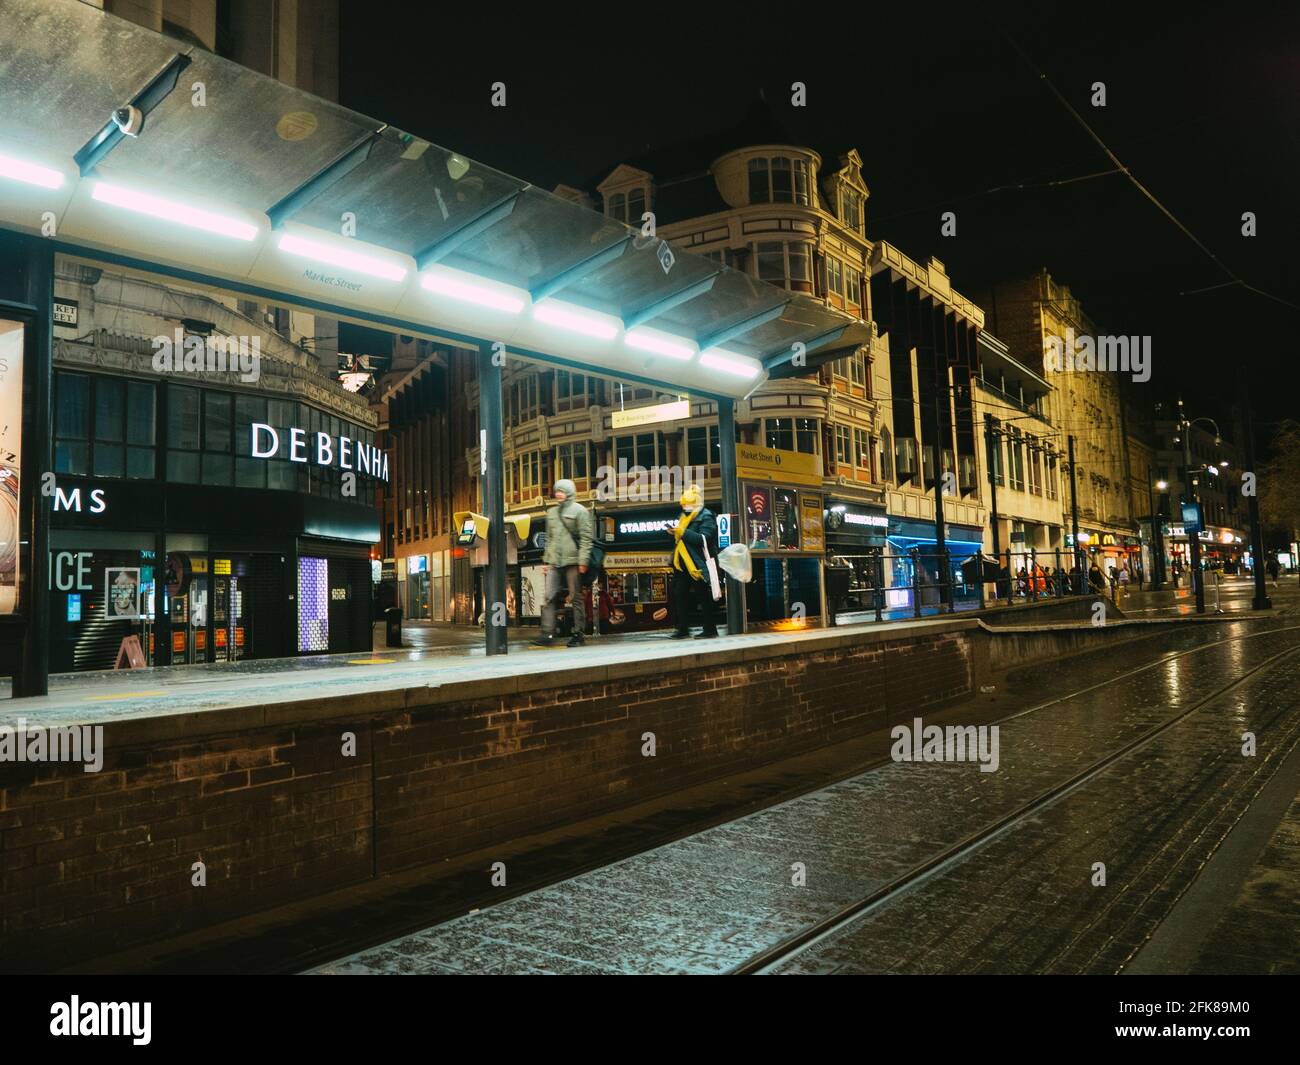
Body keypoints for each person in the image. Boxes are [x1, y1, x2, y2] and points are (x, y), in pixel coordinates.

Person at [532, 478, 594, 648]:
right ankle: (547, 633)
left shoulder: (580, 511)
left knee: (575, 598)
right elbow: (549, 538)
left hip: (573, 561)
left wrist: (583, 561)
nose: (558, 494)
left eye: (562, 491)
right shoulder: (551, 513)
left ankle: (578, 633)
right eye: (557, 490)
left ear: (569, 492)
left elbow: (586, 538)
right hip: (554, 561)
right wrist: (546, 560)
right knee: (549, 596)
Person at [670, 484, 720, 639]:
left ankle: (710, 629)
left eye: (688, 503)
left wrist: (682, 532)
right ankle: (683, 628)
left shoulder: (706, 516)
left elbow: (703, 539)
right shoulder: (683, 517)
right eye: (683, 504)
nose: (685, 506)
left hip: (699, 563)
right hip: (683, 564)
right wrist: (675, 532)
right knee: (680, 595)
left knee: (703, 596)